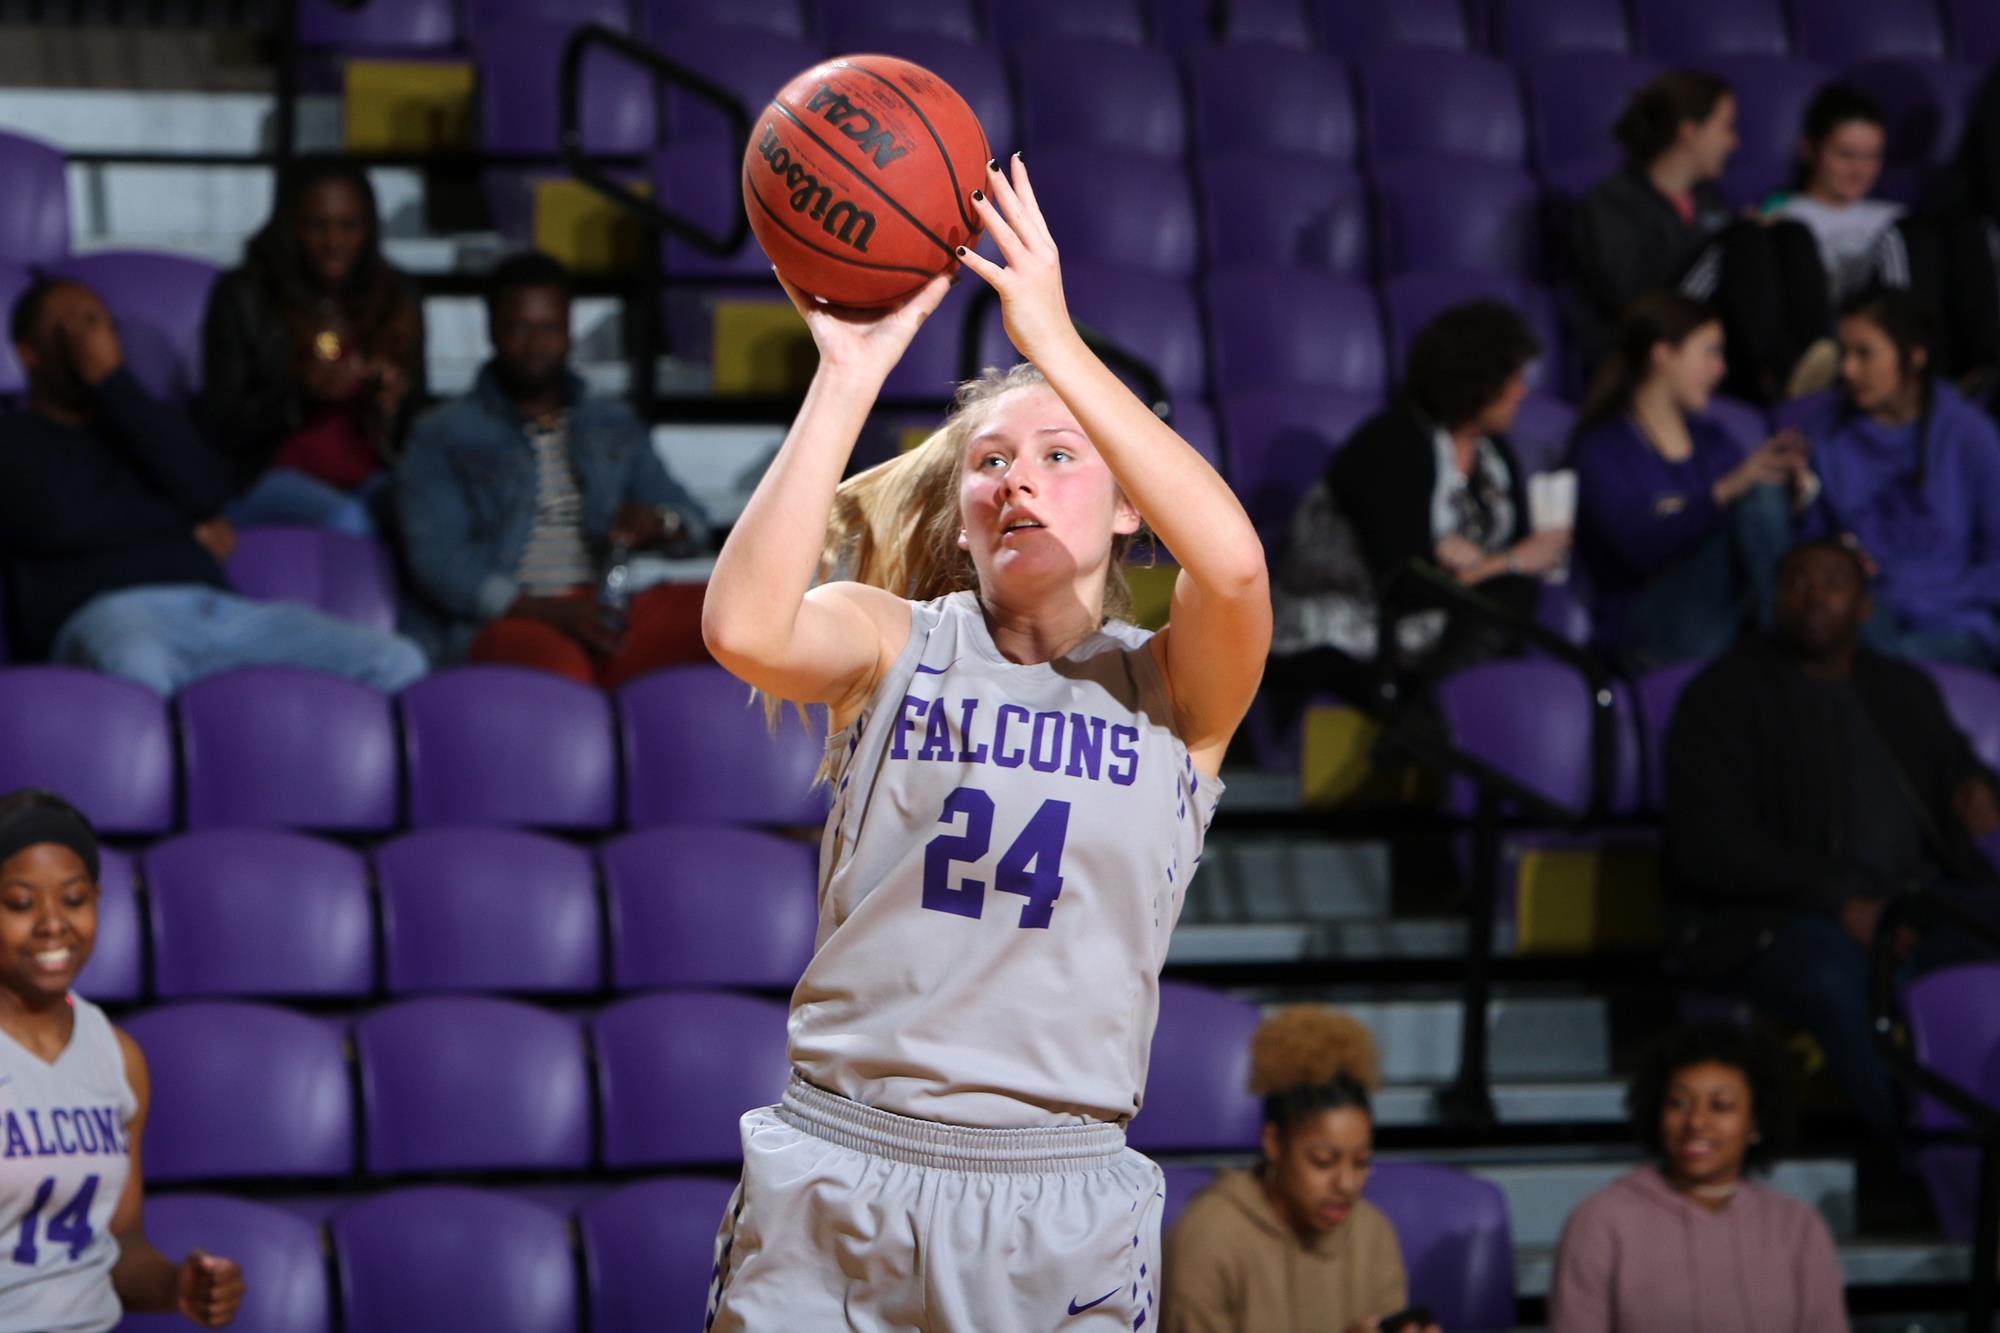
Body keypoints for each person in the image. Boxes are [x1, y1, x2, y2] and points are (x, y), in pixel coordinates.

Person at [698, 156, 1270, 1329]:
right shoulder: (892, 640)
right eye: (989, 462)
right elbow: (742, 627)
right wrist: (846, 375)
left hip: (1052, 1194)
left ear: (1128, 507)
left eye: (1060, 457)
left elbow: (1235, 565)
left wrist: (1053, 343)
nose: (1016, 481)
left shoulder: (1174, 689)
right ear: (958, 521)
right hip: (840, 1162)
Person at [1664, 539, 2000, 1148]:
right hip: (1777, 919)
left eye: (1833, 583)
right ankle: (1926, 1159)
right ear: (1774, 599)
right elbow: (1711, 845)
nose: (1814, 597)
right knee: (1833, 978)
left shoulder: (1903, 688)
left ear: (1865, 605)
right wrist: (1841, 902)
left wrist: (1979, 785)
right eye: (1797, 583)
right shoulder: (1722, 696)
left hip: (1916, 905)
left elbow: (1955, 766)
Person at [0, 278, 428, 696]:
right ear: (28, 353)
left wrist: (115, 383)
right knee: (138, 663)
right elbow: (58, 521)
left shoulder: (141, 419)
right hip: (106, 614)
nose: (90, 340)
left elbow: (210, 491)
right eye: (73, 328)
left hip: (216, 609)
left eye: (100, 324)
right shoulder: (14, 436)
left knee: (396, 661)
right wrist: (184, 530)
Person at [396, 252, 711, 684]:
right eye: (519, 328)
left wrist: (660, 521)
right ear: (492, 330)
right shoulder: (443, 434)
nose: (536, 345)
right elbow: (440, 561)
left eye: (550, 328)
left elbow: (691, 517)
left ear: (569, 331)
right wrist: (552, 612)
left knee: (732, 624)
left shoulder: (611, 423)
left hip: (605, 607)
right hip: (512, 617)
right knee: (563, 674)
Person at [0, 788, 246, 1330]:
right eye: (20, 903)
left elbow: (119, 1246)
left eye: (73, 899)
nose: (52, 923)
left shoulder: (117, 1056)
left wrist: (177, 1284)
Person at [1306, 301, 1568, 686]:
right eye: (1513, 378)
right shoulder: (1394, 441)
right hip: (1354, 626)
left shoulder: (1495, 456)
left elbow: (1490, 564)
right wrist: (1508, 562)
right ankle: (1426, 726)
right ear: (1480, 379)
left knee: (1516, 601)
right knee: (1511, 593)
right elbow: (1402, 577)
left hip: (1445, 626)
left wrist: (1491, 565)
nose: (1522, 391)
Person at [1548, 1022, 1846, 1333]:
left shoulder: (1798, 1227)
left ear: (1756, 1122)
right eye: (1679, 1104)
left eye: (1720, 1106)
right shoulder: (1601, 1220)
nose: (1697, 1122)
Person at [1570, 292, 1808, 671]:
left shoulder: (1712, 438)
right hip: (1646, 629)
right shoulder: (1602, 446)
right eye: (1710, 353)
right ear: (1663, 356)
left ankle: (1795, 651)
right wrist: (1724, 491)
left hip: (1727, 622)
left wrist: (1795, 494)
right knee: (1756, 495)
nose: (1721, 370)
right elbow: (1638, 547)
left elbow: (1758, 532)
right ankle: (1793, 658)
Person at [1162, 1008, 1438, 1333]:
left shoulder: (1374, 1234)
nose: (1347, 1184)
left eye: (1361, 1161)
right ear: (1274, 1142)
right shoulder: (1208, 1237)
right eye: (1323, 1161)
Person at [201, 155, 425, 537]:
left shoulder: (396, 296)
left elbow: (416, 428)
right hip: (268, 476)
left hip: (370, 474)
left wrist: (390, 403)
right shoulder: (247, 294)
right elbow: (222, 425)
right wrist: (301, 397)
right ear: (290, 229)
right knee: (350, 521)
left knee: (424, 517)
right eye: (316, 227)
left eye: (348, 226)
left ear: (369, 229)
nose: (333, 242)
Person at [1569, 71, 1826, 404]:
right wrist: (1726, 243)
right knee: (1745, 239)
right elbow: (1627, 293)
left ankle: (1815, 353)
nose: (1734, 142)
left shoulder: (1711, 200)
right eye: (1726, 127)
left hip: (1711, 336)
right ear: (1689, 133)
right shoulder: (1612, 201)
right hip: (1656, 334)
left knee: (1791, 231)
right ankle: (1774, 368)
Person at [1799, 287, 2000, 669]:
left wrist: (1923, 596)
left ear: (1915, 355)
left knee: (1887, 670)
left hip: (1949, 622)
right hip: (1861, 620)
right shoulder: (1825, 433)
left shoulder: (1968, 435)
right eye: (1844, 354)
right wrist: (1803, 504)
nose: (1848, 370)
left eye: (1864, 353)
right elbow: (1809, 554)